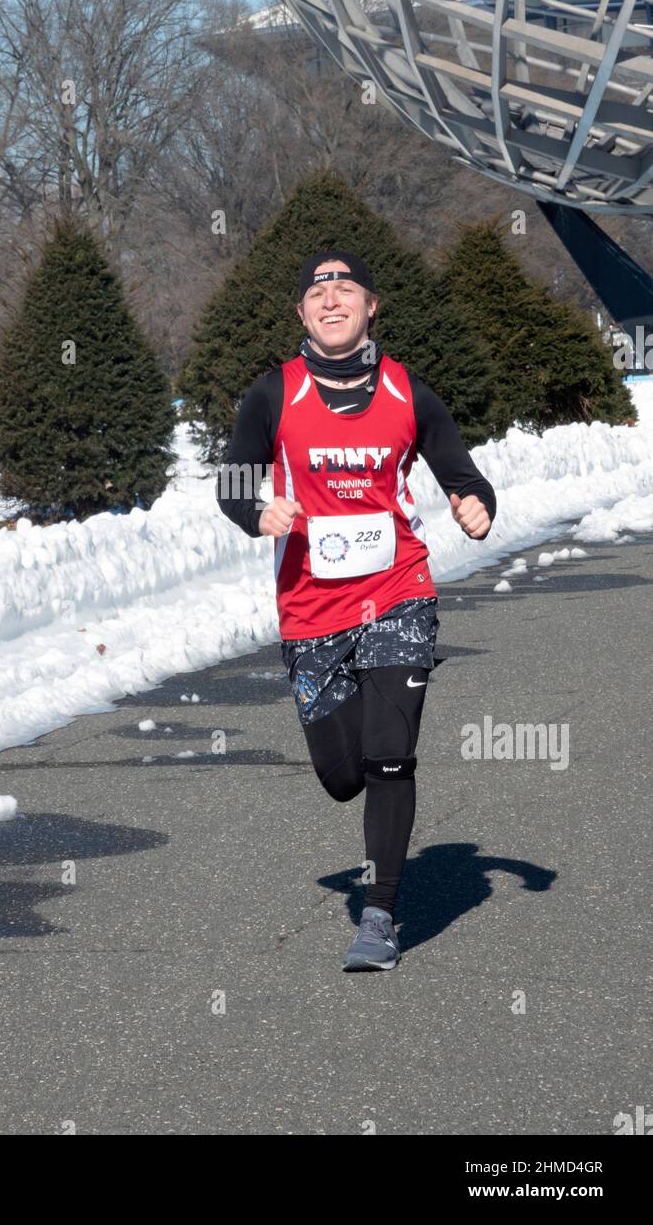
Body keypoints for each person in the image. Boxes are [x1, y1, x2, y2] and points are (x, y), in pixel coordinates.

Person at [216, 250, 496, 971]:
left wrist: (475, 503)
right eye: (318, 291)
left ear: (372, 306)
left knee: (390, 755)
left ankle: (380, 917)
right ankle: (329, 723)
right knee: (345, 775)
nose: (331, 298)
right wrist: (258, 509)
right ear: (303, 313)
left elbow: (461, 471)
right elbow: (234, 482)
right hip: (312, 609)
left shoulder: (407, 391)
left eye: (346, 288)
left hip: (398, 591)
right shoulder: (273, 393)